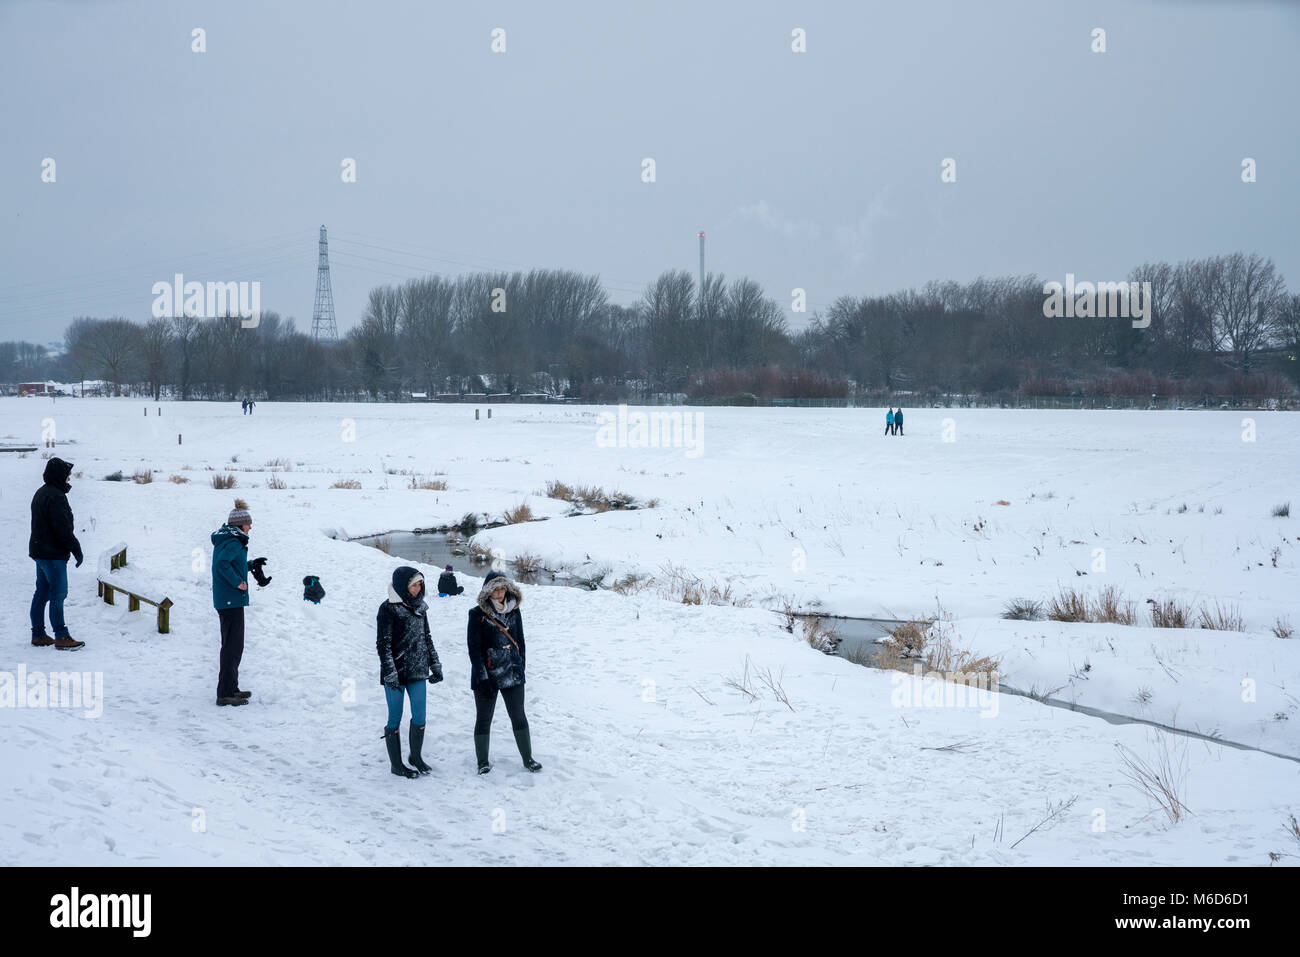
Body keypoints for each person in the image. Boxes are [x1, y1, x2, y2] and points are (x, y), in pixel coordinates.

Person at [466, 571, 541, 774]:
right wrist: (482, 676)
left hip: (512, 673)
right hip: (487, 676)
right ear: (487, 592)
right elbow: (474, 648)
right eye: (495, 589)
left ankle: (528, 759)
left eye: (502, 588)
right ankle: (482, 761)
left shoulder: (515, 611)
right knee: (484, 718)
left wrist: (520, 666)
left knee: (518, 715)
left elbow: (521, 642)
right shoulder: (477, 614)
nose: (499, 593)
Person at [377, 566, 443, 778]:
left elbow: (427, 638)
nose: (418, 588)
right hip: (395, 674)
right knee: (395, 717)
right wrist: (390, 672)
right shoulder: (388, 609)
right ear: (402, 586)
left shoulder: (421, 607)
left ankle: (416, 756)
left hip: (417, 670)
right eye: (414, 584)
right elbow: (383, 645)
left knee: (420, 715)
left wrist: (435, 664)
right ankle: (396, 765)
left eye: (419, 584)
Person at [29, 457, 85, 650]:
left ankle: (38, 634)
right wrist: (76, 549)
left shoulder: (41, 492)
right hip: (52, 554)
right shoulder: (56, 496)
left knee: (42, 593)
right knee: (58, 594)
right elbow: (63, 529)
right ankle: (61, 636)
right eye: (67, 476)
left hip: (40, 551)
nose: (68, 479)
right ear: (59, 476)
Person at [210, 501, 261, 706]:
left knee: (234, 646)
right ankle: (225, 694)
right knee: (231, 647)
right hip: (229, 600)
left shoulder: (231, 539)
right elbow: (222, 564)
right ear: (240, 525)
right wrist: (237, 583)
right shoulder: (233, 541)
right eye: (248, 524)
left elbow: (232, 563)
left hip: (229, 600)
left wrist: (250, 565)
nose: (250, 528)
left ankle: (232, 688)